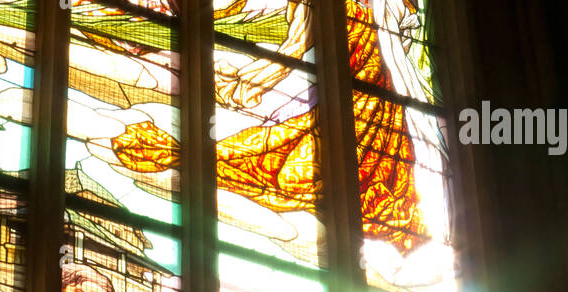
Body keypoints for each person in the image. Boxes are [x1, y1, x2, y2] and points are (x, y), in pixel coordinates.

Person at [112, 0, 428, 257]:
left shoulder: (373, 11)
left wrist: (254, 78)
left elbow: (387, 38)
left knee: (302, 176)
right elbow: (294, 47)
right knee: (293, 173)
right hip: (327, 115)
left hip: (376, 116)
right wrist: (252, 78)